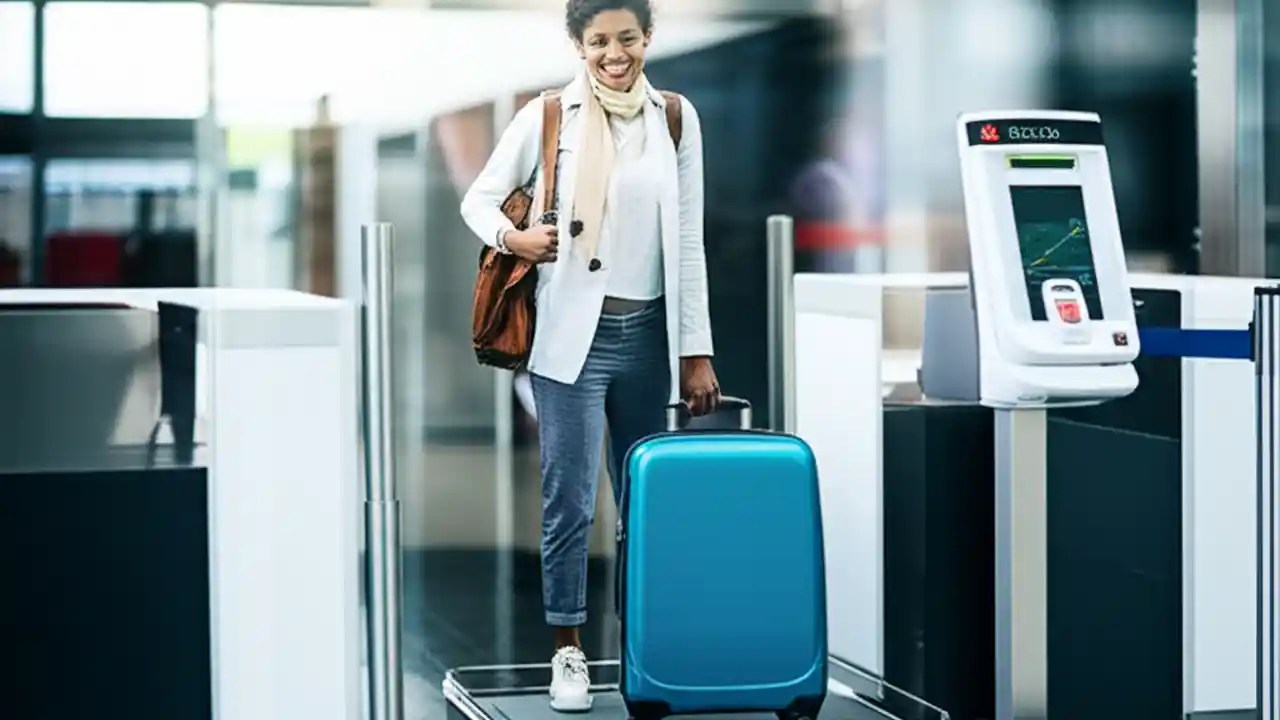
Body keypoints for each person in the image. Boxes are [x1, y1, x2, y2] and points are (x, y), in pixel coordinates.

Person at [460, 0, 721, 711]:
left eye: (627, 39)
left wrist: (695, 350)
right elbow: (478, 200)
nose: (615, 54)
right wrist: (514, 242)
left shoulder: (673, 117)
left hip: (649, 338)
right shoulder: (548, 115)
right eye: (600, 41)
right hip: (569, 338)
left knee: (648, 501)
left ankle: (645, 646)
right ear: (579, 44)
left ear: (647, 39)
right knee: (568, 501)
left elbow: (688, 239)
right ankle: (568, 652)